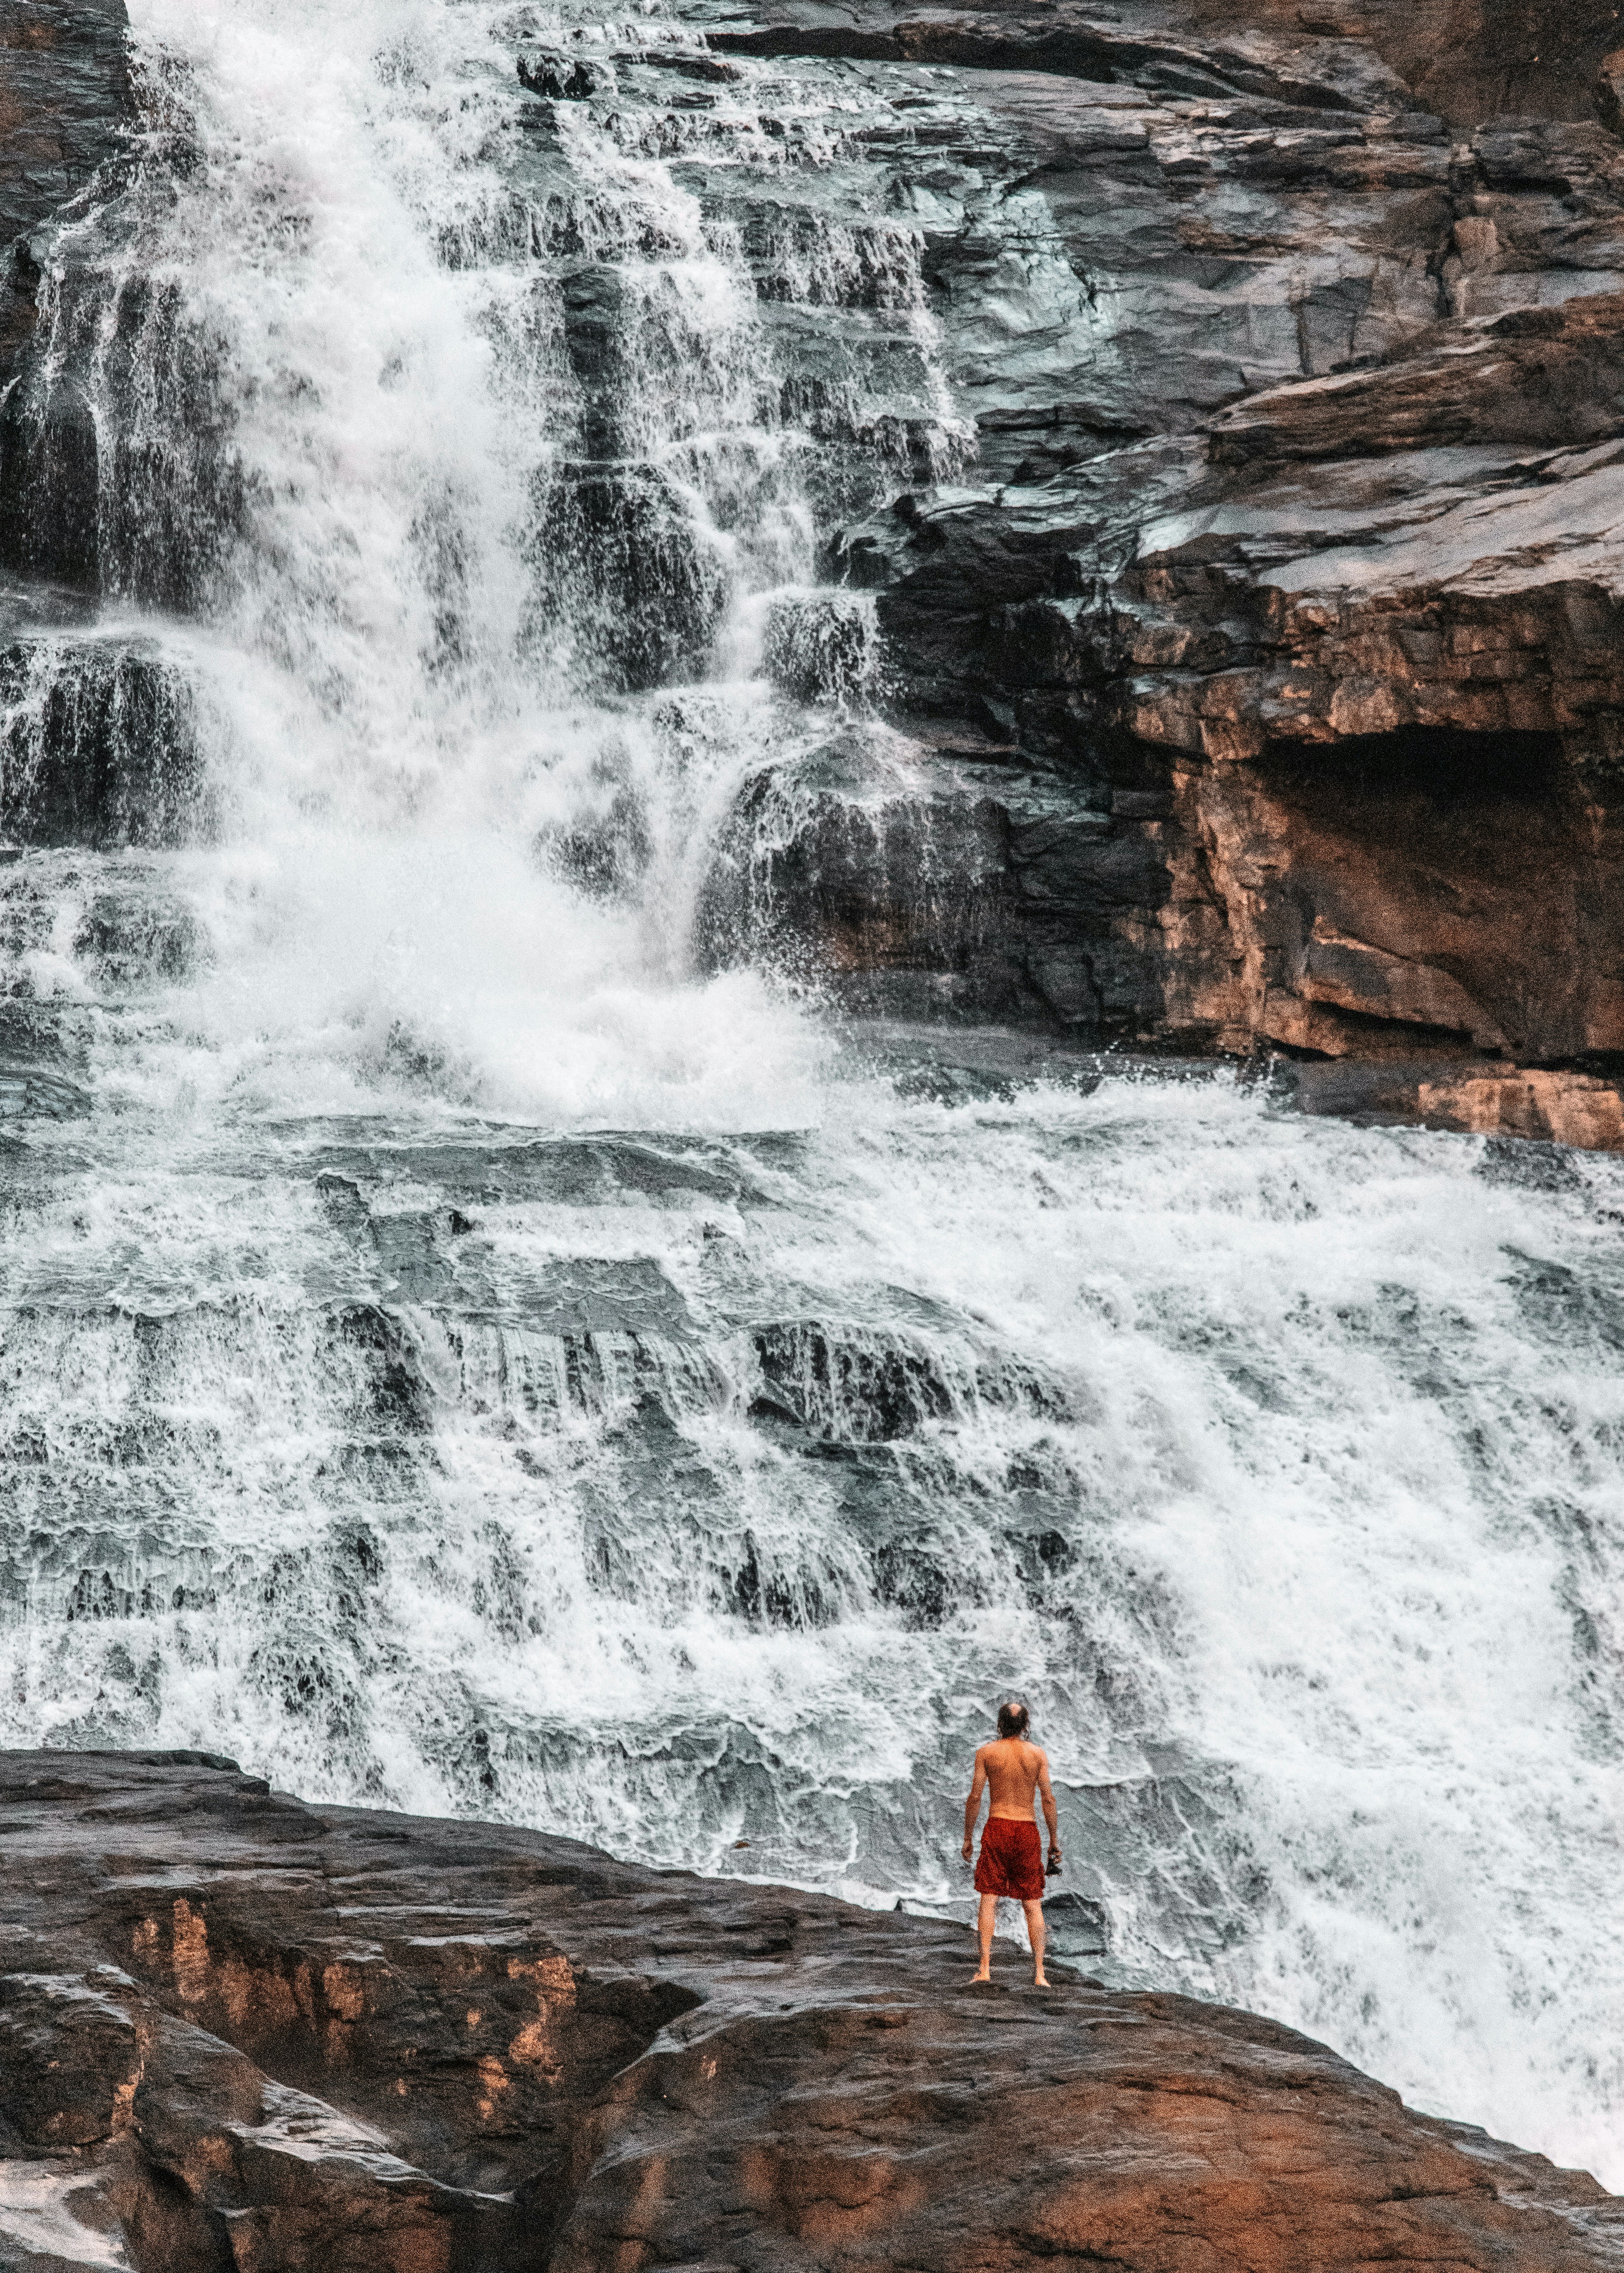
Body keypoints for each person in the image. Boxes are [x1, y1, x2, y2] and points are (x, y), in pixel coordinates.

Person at [962, 1700, 1060, 1985]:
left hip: (998, 1825)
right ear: (1026, 1725)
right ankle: (1040, 1973)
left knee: (989, 1898)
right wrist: (1054, 1841)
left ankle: (984, 1968)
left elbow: (976, 1797)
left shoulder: (987, 1752)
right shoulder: (1037, 1754)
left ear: (1000, 1723)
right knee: (1032, 1902)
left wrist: (968, 1837)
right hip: (1027, 1829)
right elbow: (1048, 1798)